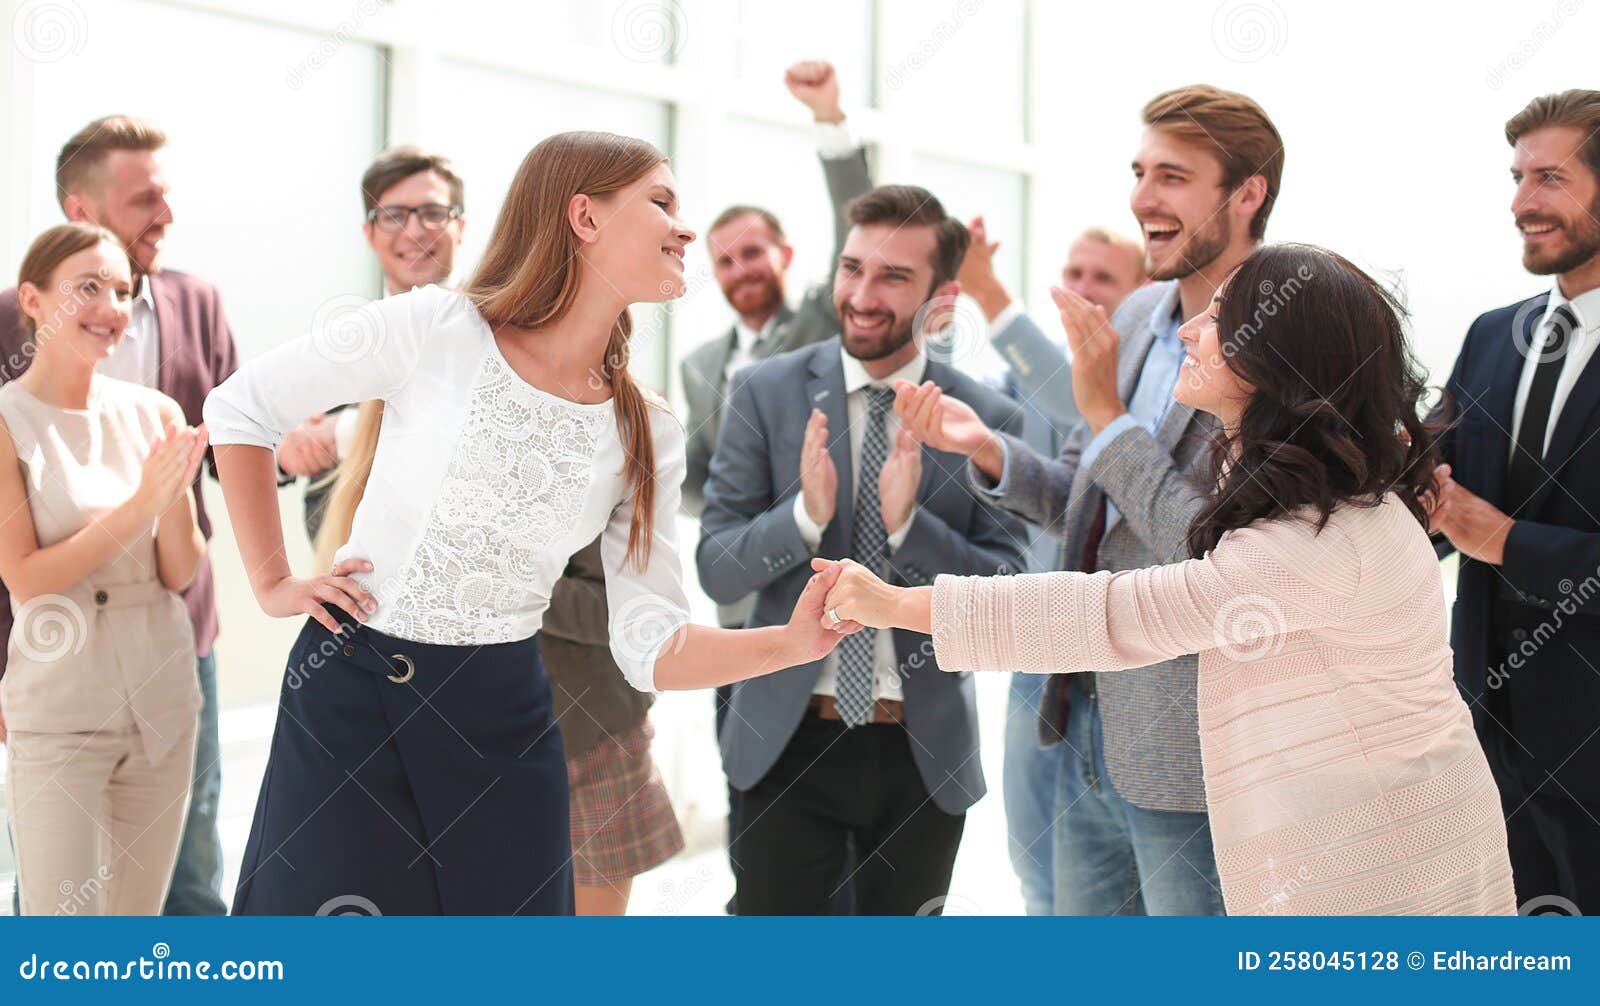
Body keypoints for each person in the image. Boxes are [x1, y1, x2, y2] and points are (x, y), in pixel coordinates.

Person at [203, 130, 857, 916]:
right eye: (662, 204)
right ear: (584, 215)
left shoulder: (647, 427)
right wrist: (272, 581)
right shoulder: (434, 327)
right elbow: (240, 408)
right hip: (352, 699)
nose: (685, 230)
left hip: (503, 716)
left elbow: (653, 645)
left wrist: (792, 642)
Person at [821, 243, 1517, 917]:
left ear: (1278, 361)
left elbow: (1118, 614)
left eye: (1218, 318)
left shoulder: (1316, 541)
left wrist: (894, 603)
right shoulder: (1309, 499)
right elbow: (1093, 517)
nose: (1188, 328)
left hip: (1381, 873)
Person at [893, 85, 1283, 915]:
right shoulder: (1141, 313)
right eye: (1140, 172)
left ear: (1247, 193)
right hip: (1083, 721)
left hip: (1193, 750)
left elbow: (1220, 552)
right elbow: (1087, 492)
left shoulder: (1280, 333)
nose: (1143, 197)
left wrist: (1104, 414)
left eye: (1173, 176)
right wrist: (990, 449)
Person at [696, 184, 1028, 915]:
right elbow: (716, 565)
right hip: (785, 739)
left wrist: (912, 530)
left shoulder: (988, 418)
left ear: (942, 299)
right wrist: (803, 520)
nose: (863, 295)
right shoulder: (763, 392)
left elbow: (1009, 593)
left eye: (893, 277)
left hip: (920, 754)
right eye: (852, 269)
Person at [0, 115, 240, 916]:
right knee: (62, 935)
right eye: (88, 290)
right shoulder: (9, 411)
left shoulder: (156, 407)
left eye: (122, 293)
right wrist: (142, 502)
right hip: (58, 694)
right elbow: (25, 576)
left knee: (163, 912)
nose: (112, 307)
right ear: (34, 301)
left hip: (165, 683)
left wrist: (172, 497)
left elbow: (181, 563)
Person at [680, 58, 873, 912]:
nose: (739, 269)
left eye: (752, 251)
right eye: (723, 260)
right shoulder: (699, 367)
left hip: (828, 610)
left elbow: (856, 224)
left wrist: (829, 119)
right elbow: (696, 480)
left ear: (786, 255)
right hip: (739, 618)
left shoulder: (822, 323)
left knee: (837, 842)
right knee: (753, 810)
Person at [1433, 89, 1600, 915]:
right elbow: (1428, 495)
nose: (1520, 203)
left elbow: (1485, 530)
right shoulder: (1491, 334)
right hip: (1486, 743)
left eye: (1549, 179)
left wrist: (1504, 541)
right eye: (1517, 177)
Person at [955, 221, 1144, 914]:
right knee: (1035, 871)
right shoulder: (1017, 377)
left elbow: (1076, 401)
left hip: (1122, 668)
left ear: (1143, 297)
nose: (1084, 291)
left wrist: (989, 292)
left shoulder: (1132, 387)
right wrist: (944, 299)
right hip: (1039, 661)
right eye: (1076, 274)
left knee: (1112, 889)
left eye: (1105, 278)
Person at [283, 147, 468, 543]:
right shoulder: (343, 342)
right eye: (393, 216)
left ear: (461, 226)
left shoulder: (502, 335)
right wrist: (288, 447)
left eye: (433, 213)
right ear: (368, 233)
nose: (415, 231)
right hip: (341, 590)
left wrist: (346, 431)